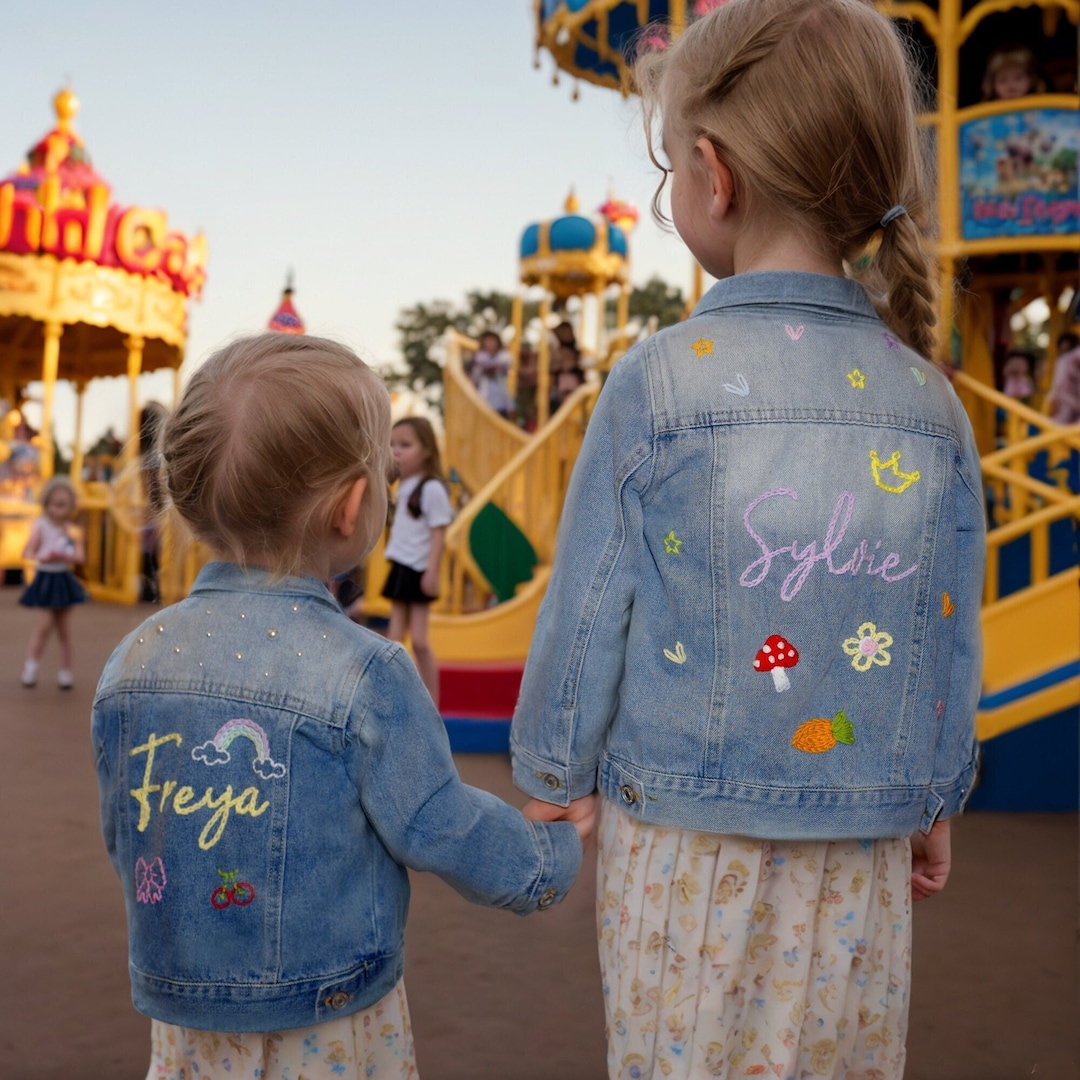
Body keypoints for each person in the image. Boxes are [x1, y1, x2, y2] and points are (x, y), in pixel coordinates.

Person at [511, 2, 984, 1077]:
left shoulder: (659, 381)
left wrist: (551, 765)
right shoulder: (931, 403)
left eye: (672, 163)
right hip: (861, 843)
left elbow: (590, 602)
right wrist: (935, 793)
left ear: (714, 177)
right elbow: (946, 627)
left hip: (683, 840)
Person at [92, 333, 593, 1080]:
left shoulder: (129, 664)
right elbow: (438, 824)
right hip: (327, 1015)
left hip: (187, 1014)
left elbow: (129, 834)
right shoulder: (369, 672)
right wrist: (543, 854)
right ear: (354, 505)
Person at [381, 416, 452, 703]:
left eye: (406, 445)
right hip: (401, 564)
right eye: (393, 445)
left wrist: (432, 571)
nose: (397, 451)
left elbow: (439, 531)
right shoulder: (404, 485)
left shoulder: (431, 488)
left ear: (426, 450)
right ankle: (395, 694)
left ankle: (432, 701)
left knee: (420, 641)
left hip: (418, 568)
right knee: (394, 637)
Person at [20, 474, 87, 689]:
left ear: (71, 506)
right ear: (47, 503)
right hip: (47, 577)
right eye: (55, 504)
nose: (59, 509)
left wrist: (67, 555)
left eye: (64, 505)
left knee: (65, 631)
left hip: (63, 578)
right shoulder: (41, 526)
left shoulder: (72, 529)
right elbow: (28, 552)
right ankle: (30, 668)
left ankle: (65, 673)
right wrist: (45, 556)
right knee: (43, 626)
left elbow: (80, 557)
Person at [471, 330, 513, 417]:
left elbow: (505, 362)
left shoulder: (504, 357)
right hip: (484, 402)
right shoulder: (478, 358)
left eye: (492, 341)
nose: (490, 344)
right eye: (488, 341)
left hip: (502, 403)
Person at [1047, 331, 1080, 425]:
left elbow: (1059, 381)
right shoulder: (1065, 359)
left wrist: (1053, 398)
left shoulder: (1067, 358)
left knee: (1059, 426)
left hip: (1067, 400)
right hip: (1067, 399)